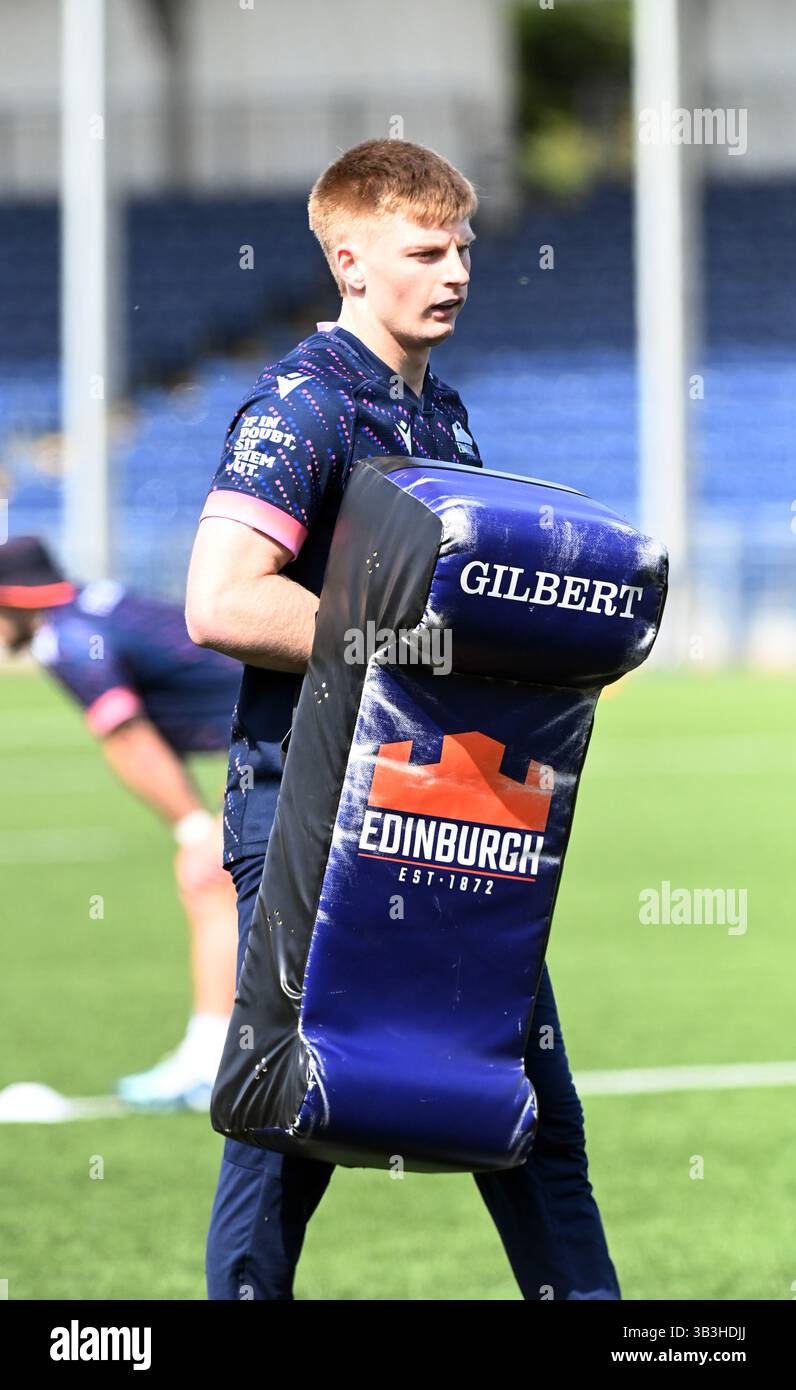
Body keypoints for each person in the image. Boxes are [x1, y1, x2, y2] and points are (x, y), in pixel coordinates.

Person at [186, 137, 620, 1300]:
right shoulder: (302, 406)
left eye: (464, 245)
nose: (457, 269)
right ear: (349, 259)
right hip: (308, 821)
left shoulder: (447, 415)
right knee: (286, 1125)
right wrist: (406, 638)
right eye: (426, 249)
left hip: (451, 814)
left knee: (528, 1110)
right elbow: (221, 599)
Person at [0, 535, 242, 1109]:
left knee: (211, 878)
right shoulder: (88, 605)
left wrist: (191, 827)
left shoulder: (65, 639)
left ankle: (211, 1061)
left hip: (296, 731)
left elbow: (128, 736)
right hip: (276, 730)